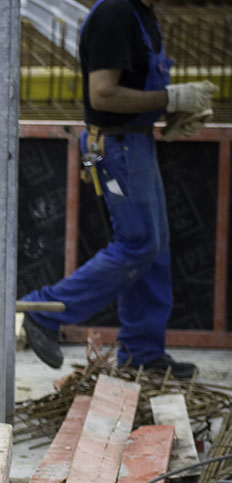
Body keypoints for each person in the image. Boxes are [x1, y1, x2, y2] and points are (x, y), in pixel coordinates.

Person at [20, 0, 216, 379]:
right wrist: (170, 99)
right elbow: (103, 95)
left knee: (153, 248)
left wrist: (174, 112)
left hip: (136, 142)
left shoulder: (144, 15)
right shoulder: (115, 14)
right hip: (116, 146)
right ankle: (43, 313)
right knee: (139, 243)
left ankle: (142, 351)